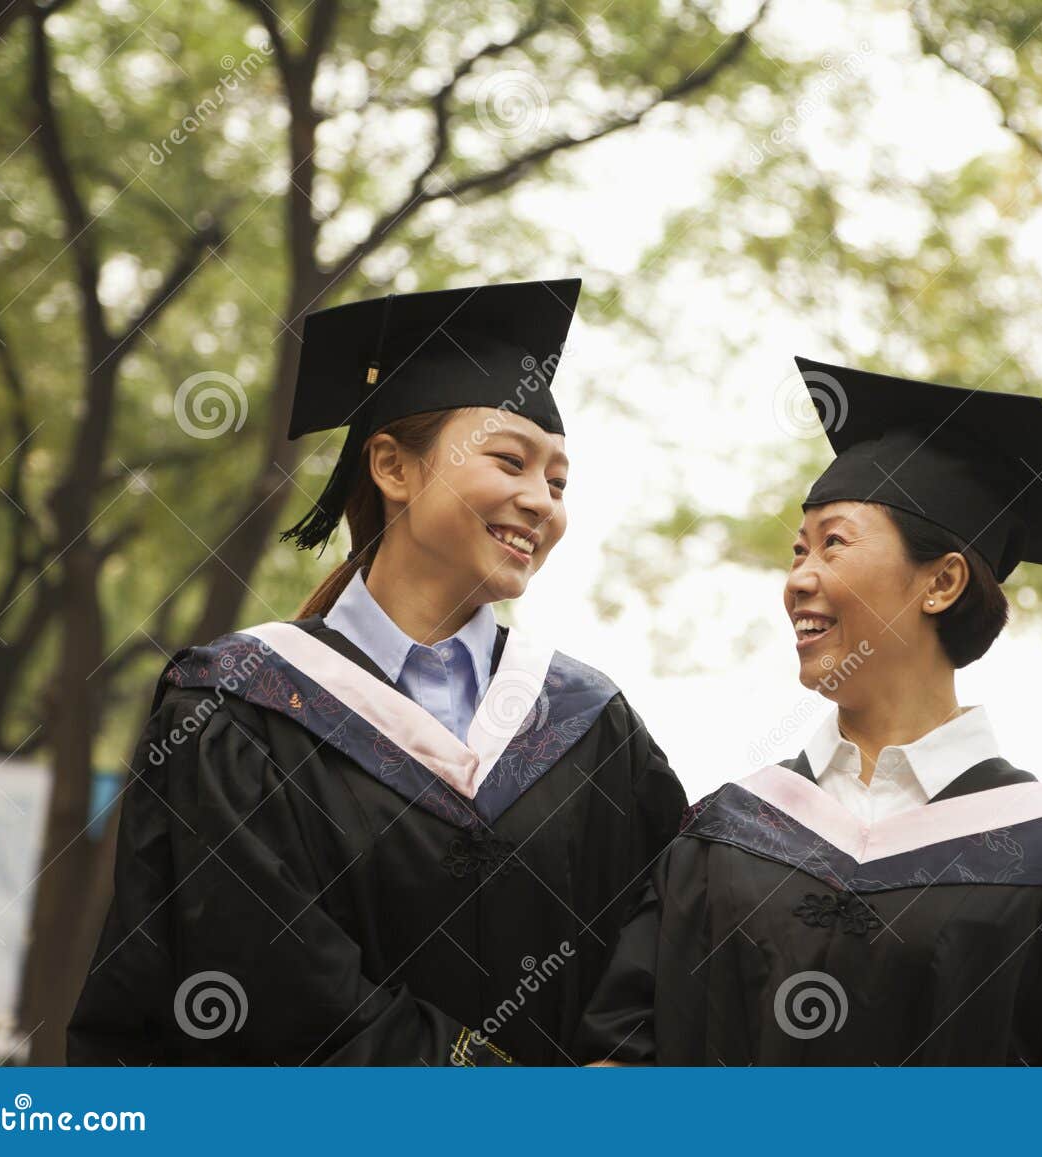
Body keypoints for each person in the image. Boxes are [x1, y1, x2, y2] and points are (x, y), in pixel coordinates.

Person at [68, 279, 686, 1065]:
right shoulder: (237, 708)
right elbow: (262, 978)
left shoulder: (591, 726)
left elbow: (666, 944)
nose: (541, 501)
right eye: (510, 461)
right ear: (394, 466)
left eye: (558, 482)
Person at [576, 356, 1042, 1065]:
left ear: (942, 582)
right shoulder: (726, 834)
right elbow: (620, 1060)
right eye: (798, 551)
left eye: (833, 544)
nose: (797, 579)